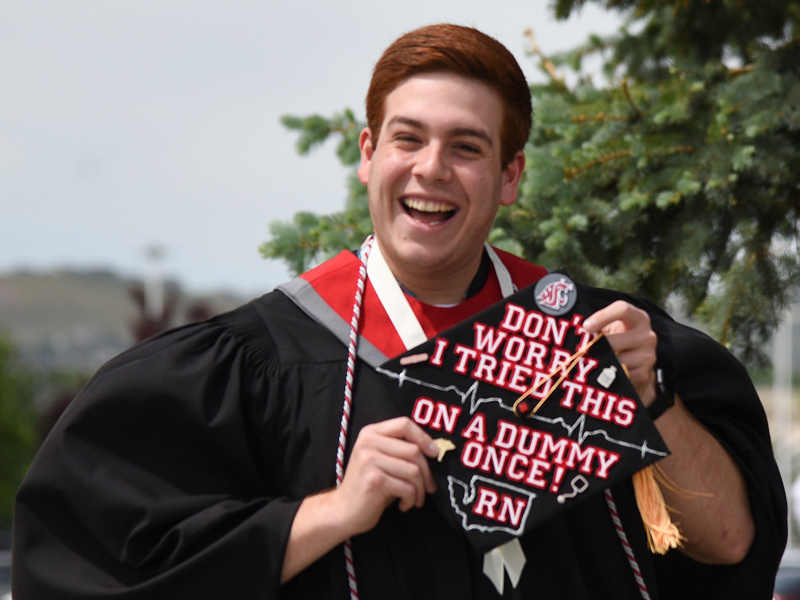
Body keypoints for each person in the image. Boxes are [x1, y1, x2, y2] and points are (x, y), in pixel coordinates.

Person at [12, 24, 786, 600]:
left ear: (511, 176)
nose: (431, 170)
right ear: (367, 154)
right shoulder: (261, 366)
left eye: (467, 148)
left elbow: (730, 546)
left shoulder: (596, 341)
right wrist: (329, 514)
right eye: (407, 139)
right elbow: (93, 564)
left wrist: (648, 402)